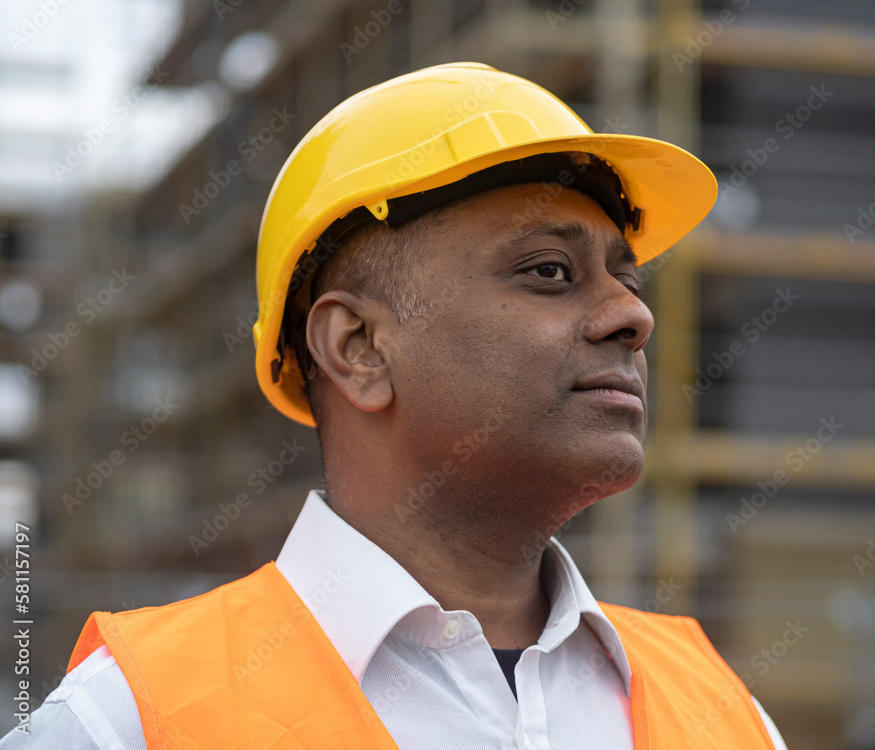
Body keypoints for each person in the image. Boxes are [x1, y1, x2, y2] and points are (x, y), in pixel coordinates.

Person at [2, 62, 786, 749]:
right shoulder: (127, 723)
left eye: (629, 278)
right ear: (358, 347)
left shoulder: (723, 711)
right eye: (549, 271)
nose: (633, 316)